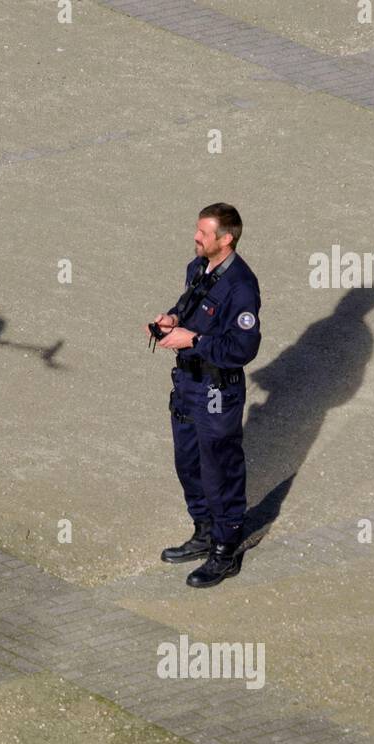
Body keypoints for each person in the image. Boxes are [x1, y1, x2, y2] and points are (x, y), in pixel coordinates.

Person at [143, 203, 261, 588]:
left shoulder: (241, 287)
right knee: (188, 461)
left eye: (203, 233)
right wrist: (173, 319)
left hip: (216, 390)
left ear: (225, 239)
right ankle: (204, 531)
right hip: (188, 384)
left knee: (219, 468)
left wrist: (191, 339)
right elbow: (189, 304)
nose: (196, 237)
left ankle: (226, 550)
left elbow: (242, 349)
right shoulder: (198, 268)